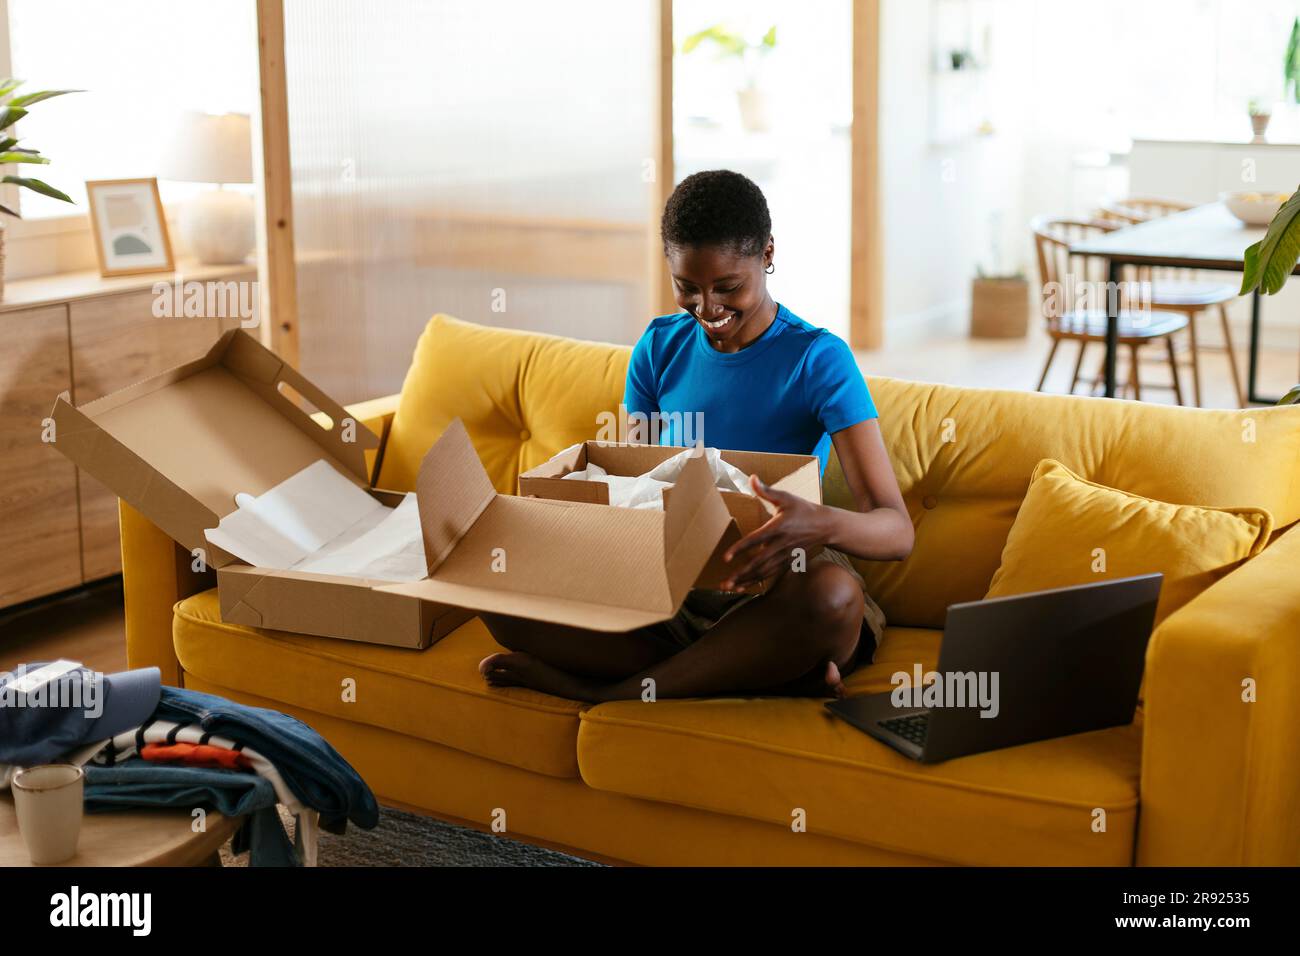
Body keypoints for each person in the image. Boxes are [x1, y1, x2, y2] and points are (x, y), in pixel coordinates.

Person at [479, 169, 913, 702]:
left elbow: (896, 531)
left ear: (768, 254)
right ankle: (755, 673)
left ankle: (610, 692)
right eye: (688, 288)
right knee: (495, 585)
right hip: (673, 585)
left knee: (832, 597)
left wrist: (818, 525)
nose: (708, 310)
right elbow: (635, 483)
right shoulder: (659, 348)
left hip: (780, 575)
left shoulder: (817, 359)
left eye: (729, 287)